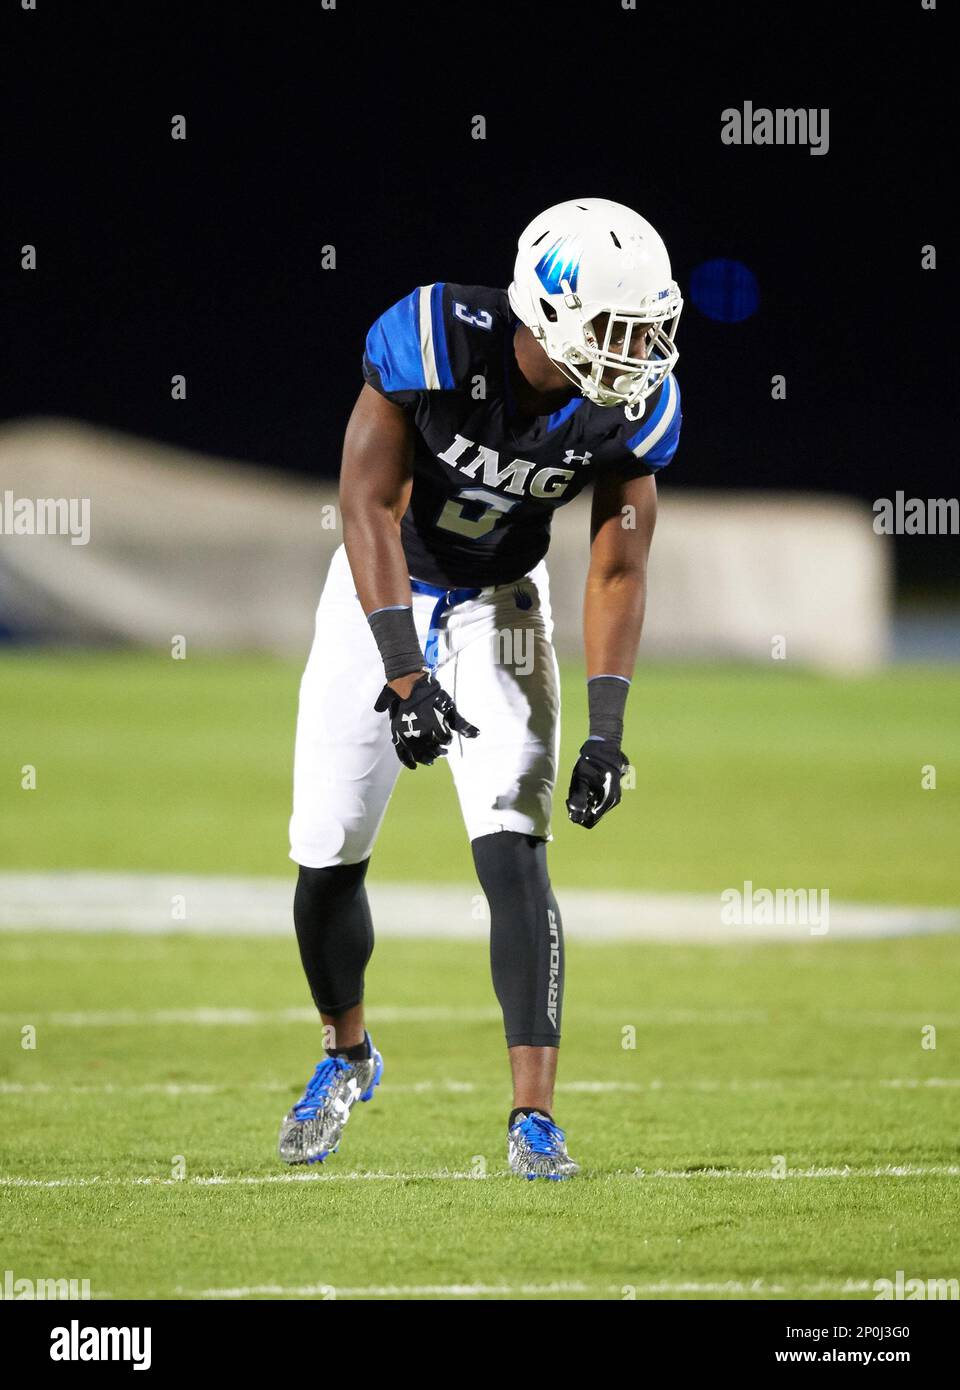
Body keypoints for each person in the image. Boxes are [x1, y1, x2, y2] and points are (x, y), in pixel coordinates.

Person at [278, 197, 683, 1179]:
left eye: (649, 327)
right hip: (382, 589)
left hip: (504, 606)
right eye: (620, 329)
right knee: (327, 852)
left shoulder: (631, 405)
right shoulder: (432, 338)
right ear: (549, 311)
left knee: (515, 842)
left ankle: (533, 1118)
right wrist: (403, 670)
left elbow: (619, 567)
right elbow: (364, 504)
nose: (640, 352)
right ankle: (347, 1052)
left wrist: (608, 729)